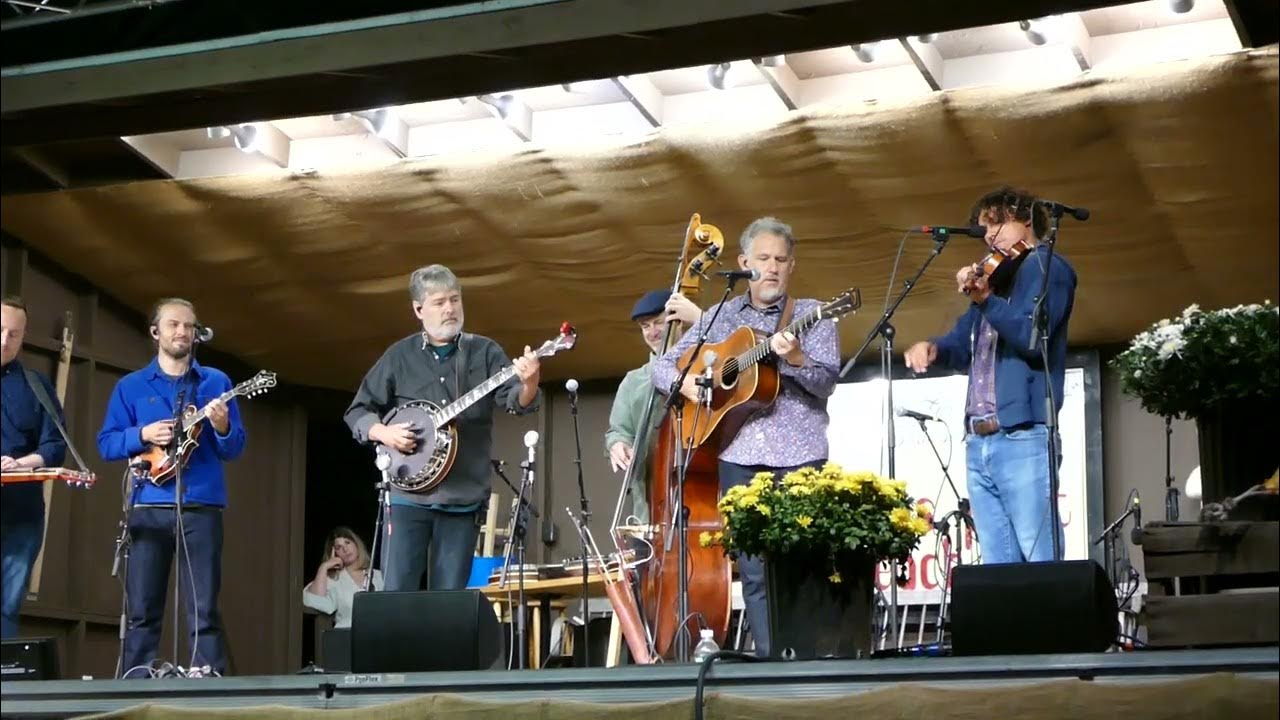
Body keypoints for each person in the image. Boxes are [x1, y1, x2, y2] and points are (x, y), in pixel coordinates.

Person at [651, 217, 840, 658]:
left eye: (780, 260)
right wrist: (686, 384)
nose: (772, 268)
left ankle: (808, 661)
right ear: (744, 263)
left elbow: (826, 382)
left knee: (802, 565)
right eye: (763, 259)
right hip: (738, 455)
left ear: (792, 266)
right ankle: (772, 664)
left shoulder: (815, 315)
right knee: (754, 570)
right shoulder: (721, 316)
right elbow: (664, 365)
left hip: (800, 456)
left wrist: (794, 358)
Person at [904, 187, 1077, 564]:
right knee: (999, 566)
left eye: (997, 222)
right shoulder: (996, 282)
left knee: (1039, 560)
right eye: (984, 228)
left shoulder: (1045, 267)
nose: (989, 235)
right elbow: (962, 345)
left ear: (1026, 219)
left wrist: (985, 299)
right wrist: (934, 349)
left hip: (1023, 437)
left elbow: (1034, 337)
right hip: (979, 441)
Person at [344, 264, 542, 593]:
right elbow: (358, 411)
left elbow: (516, 401)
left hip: (463, 496)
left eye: (455, 299)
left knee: (449, 600)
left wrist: (530, 381)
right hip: (407, 496)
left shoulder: (486, 352)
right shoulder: (399, 356)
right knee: (396, 593)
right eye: (439, 302)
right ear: (419, 309)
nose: (449, 308)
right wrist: (385, 433)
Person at [98, 298, 246, 677]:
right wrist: (142, 434)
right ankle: (135, 684)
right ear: (156, 332)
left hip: (200, 506)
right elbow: (106, 443)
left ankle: (207, 687)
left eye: (189, 326)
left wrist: (224, 426)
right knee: (142, 611)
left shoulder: (215, 382)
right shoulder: (131, 386)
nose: (182, 332)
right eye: (174, 325)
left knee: (203, 608)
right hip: (147, 506)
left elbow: (235, 448)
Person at [1, 296, 68, 640]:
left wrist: (19, 463)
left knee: (7, 604)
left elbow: (56, 446)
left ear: (23, 336)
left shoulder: (37, 385)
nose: (4, 341)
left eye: (13, 334)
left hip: (21, 513)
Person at [605, 289, 702, 522]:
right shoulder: (633, 381)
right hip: (649, 508)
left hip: (700, 494)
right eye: (645, 326)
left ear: (678, 322)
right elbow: (618, 431)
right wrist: (618, 444)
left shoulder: (703, 366)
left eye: (659, 322)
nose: (652, 332)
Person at [303, 527, 383, 629]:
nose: (345, 549)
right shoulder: (334, 579)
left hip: (379, 637)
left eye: (347, 543)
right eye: (338, 547)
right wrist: (324, 567)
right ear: (334, 553)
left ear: (357, 545)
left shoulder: (378, 576)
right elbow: (313, 600)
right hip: (347, 638)